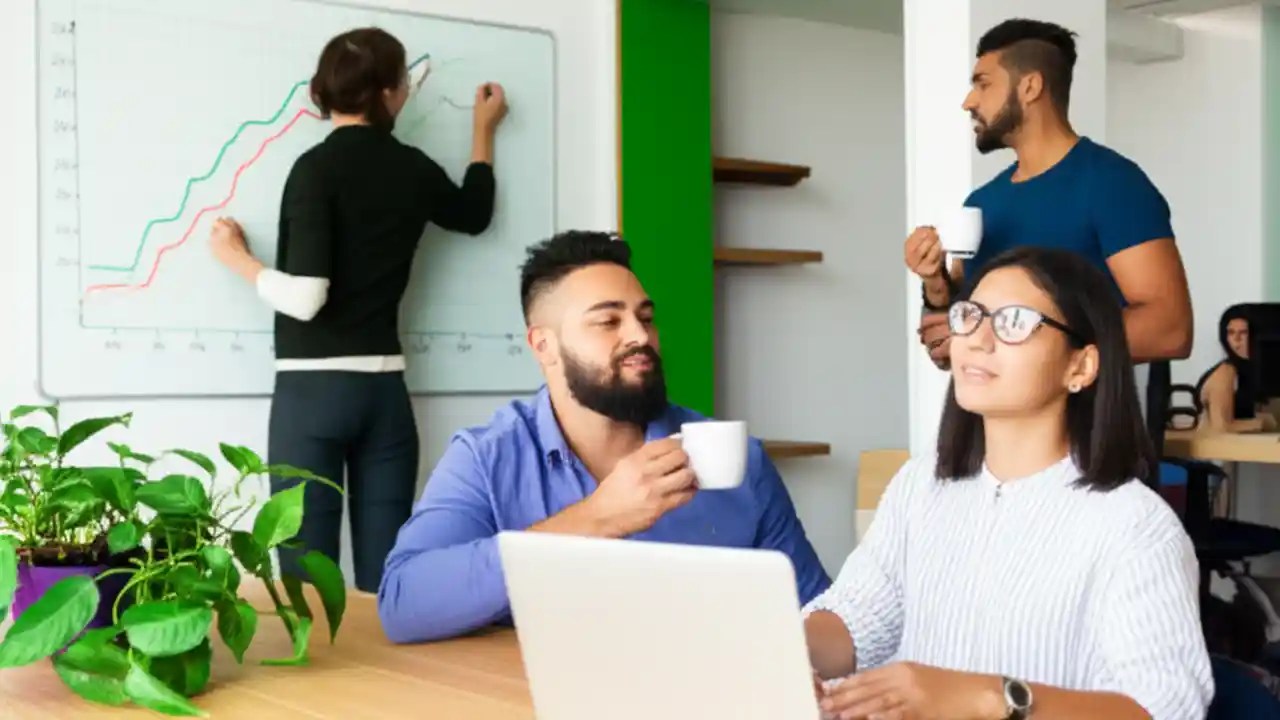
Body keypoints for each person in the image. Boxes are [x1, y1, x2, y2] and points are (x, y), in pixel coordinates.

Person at [804, 247, 1213, 720]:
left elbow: (1163, 709)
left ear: (1080, 366)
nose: (978, 339)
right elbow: (857, 620)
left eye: (1014, 322)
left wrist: (987, 698)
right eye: (969, 316)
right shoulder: (921, 485)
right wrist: (776, 646)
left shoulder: (1135, 526)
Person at [377, 230, 831, 643]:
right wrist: (597, 518)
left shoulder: (739, 462)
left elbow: (820, 614)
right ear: (543, 346)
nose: (641, 336)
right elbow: (403, 602)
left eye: (645, 317)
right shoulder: (487, 458)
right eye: (608, 321)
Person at [209, 27, 509, 592]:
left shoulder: (314, 170)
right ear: (393, 92)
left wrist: (236, 258)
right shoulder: (413, 168)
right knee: (386, 583)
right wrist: (482, 130)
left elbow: (304, 298)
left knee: (305, 584)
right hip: (384, 397)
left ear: (324, 93)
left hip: (311, 396)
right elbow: (473, 214)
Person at [904, 18, 1193, 370]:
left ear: (1030, 87)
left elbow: (1170, 330)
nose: (968, 102)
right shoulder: (981, 203)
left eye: (983, 84)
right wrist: (934, 282)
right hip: (985, 423)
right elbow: (946, 350)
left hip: (1083, 424)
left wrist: (1013, 341)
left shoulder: (1113, 184)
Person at [1197, 307, 1276, 433]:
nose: (1237, 339)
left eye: (1243, 332)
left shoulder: (1252, 373)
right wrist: (1263, 423)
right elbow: (1221, 428)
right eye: (1231, 333)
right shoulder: (1225, 373)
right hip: (1215, 449)